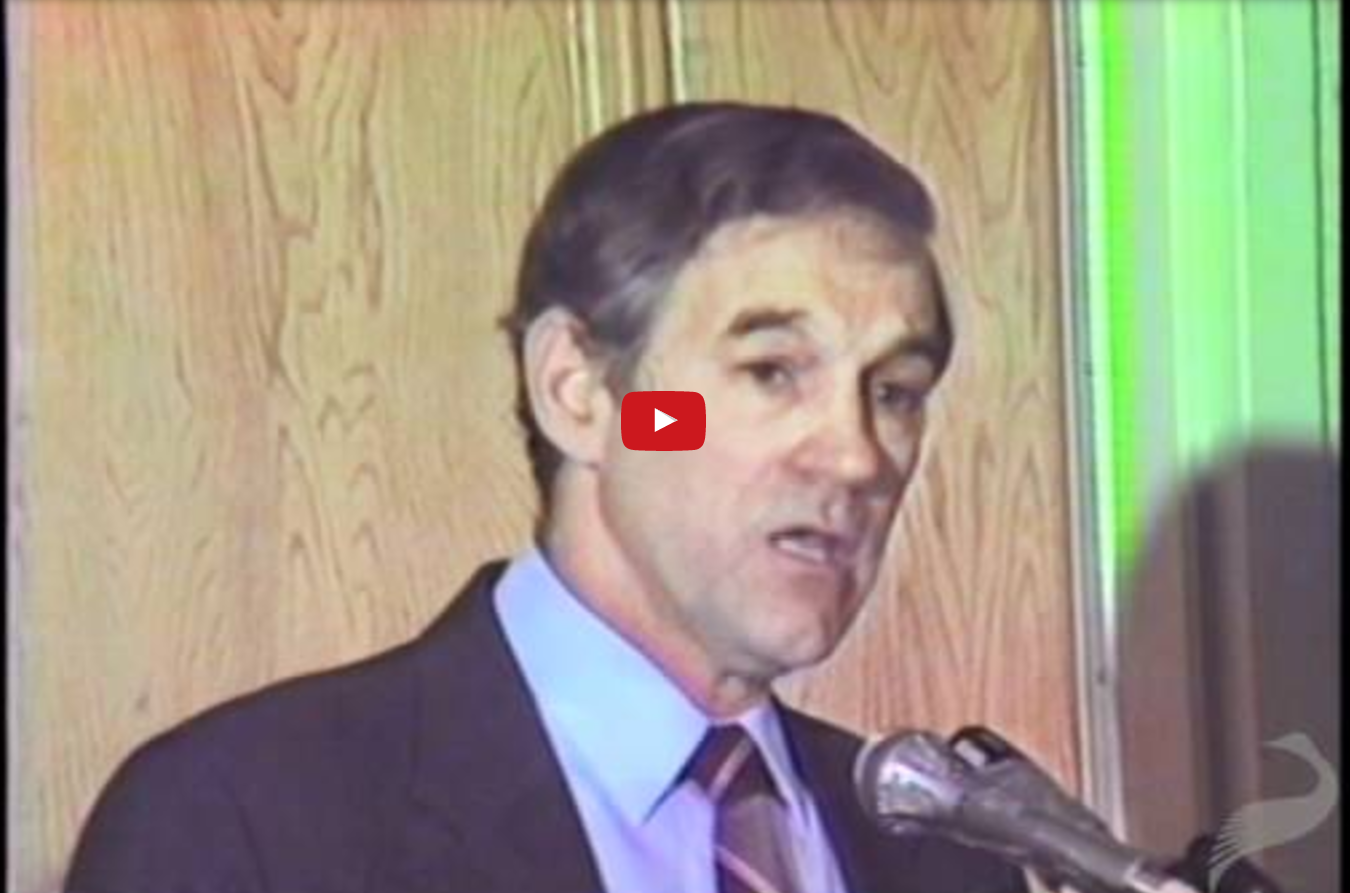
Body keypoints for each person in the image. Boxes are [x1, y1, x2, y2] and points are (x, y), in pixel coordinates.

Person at [66, 102, 1027, 893]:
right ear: (581, 394)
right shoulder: (243, 822)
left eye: (895, 391)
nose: (856, 457)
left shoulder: (951, 860)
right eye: (770, 372)